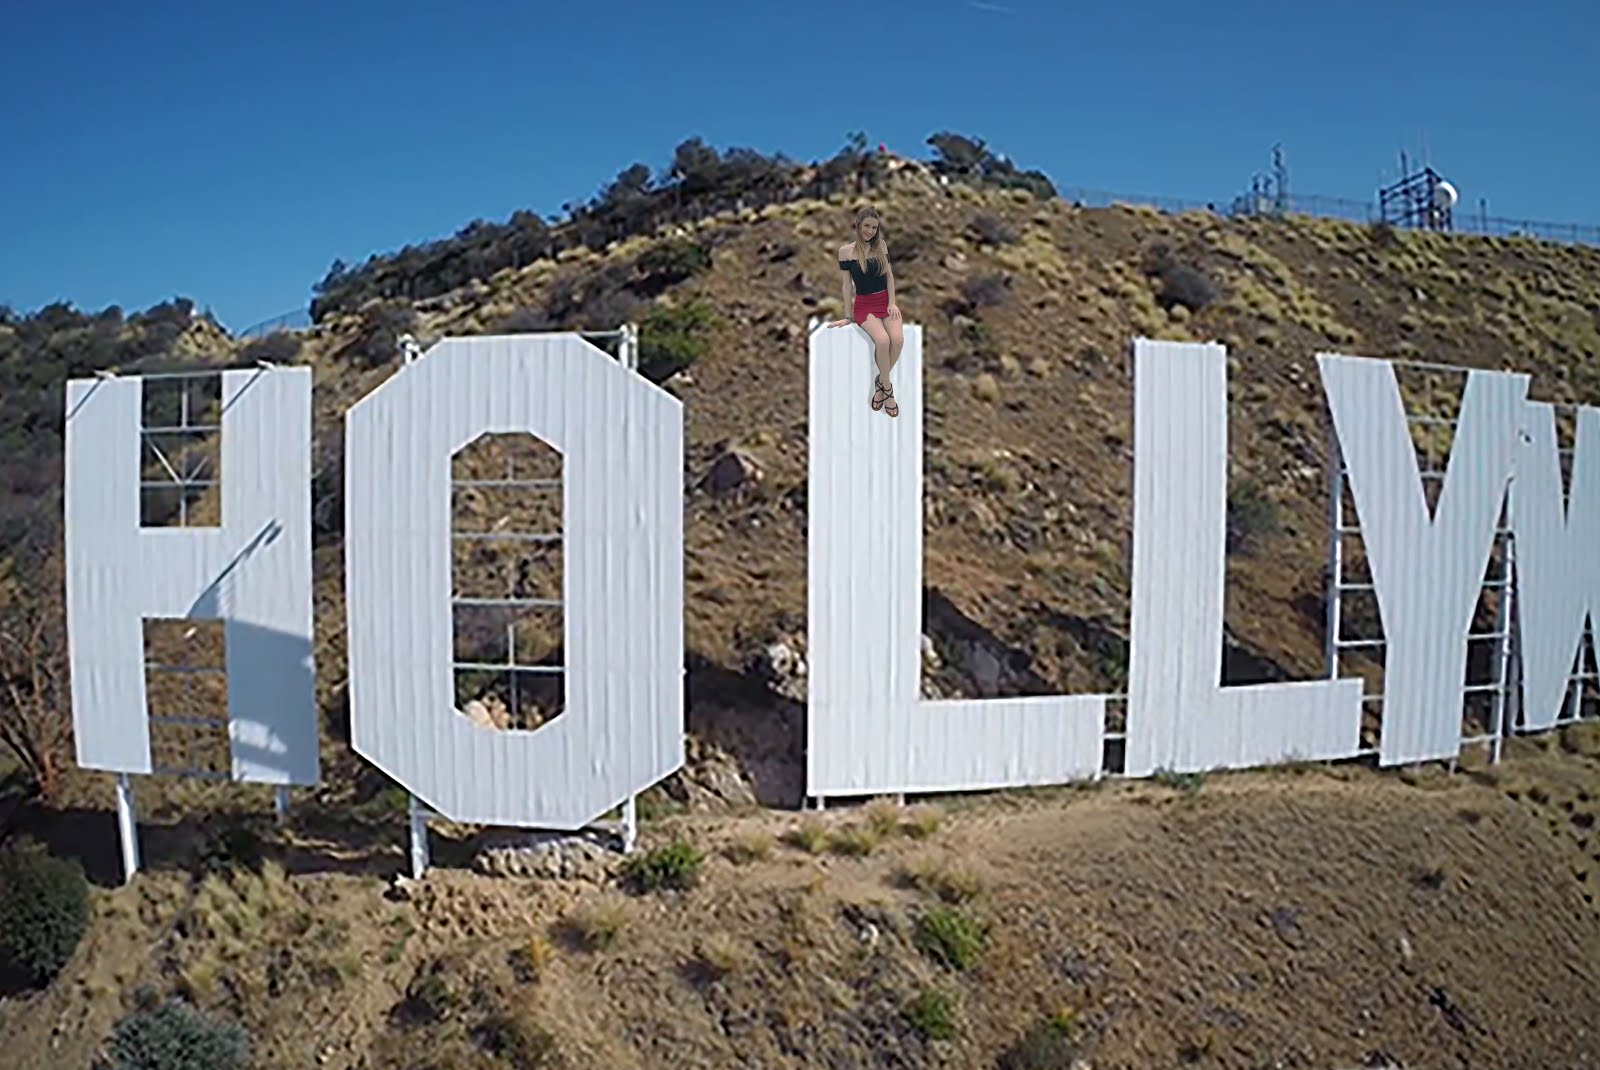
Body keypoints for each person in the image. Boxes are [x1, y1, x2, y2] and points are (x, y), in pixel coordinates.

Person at [827, 206, 903, 417]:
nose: (870, 231)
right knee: (882, 341)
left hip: (885, 301)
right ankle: (888, 391)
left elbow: (889, 277)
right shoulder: (845, 251)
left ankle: (880, 382)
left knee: (897, 340)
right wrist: (848, 315)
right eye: (866, 226)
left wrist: (893, 302)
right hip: (865, 304)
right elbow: (846, 286)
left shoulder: (882, 247)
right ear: (859, 225)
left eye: (874, 227)